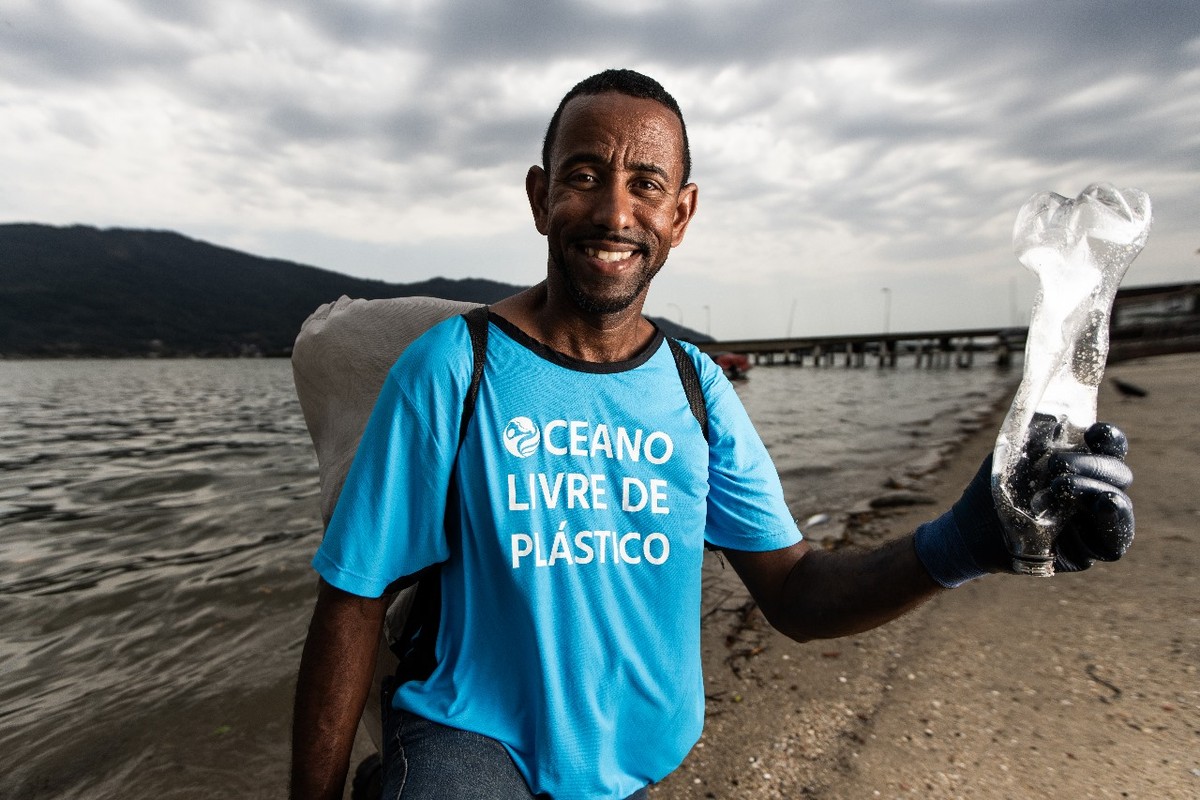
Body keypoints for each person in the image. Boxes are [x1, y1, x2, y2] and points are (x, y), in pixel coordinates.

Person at [289, 69, 1134, 800]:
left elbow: (797, 592)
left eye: (646, 183)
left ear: (681, 213)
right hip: (470, 742)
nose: (614, 211)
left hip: (632, 763)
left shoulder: (698, 391)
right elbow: (353, 598)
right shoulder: (455, 366)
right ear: (541, 196)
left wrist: (967, 539)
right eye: (584, 175)